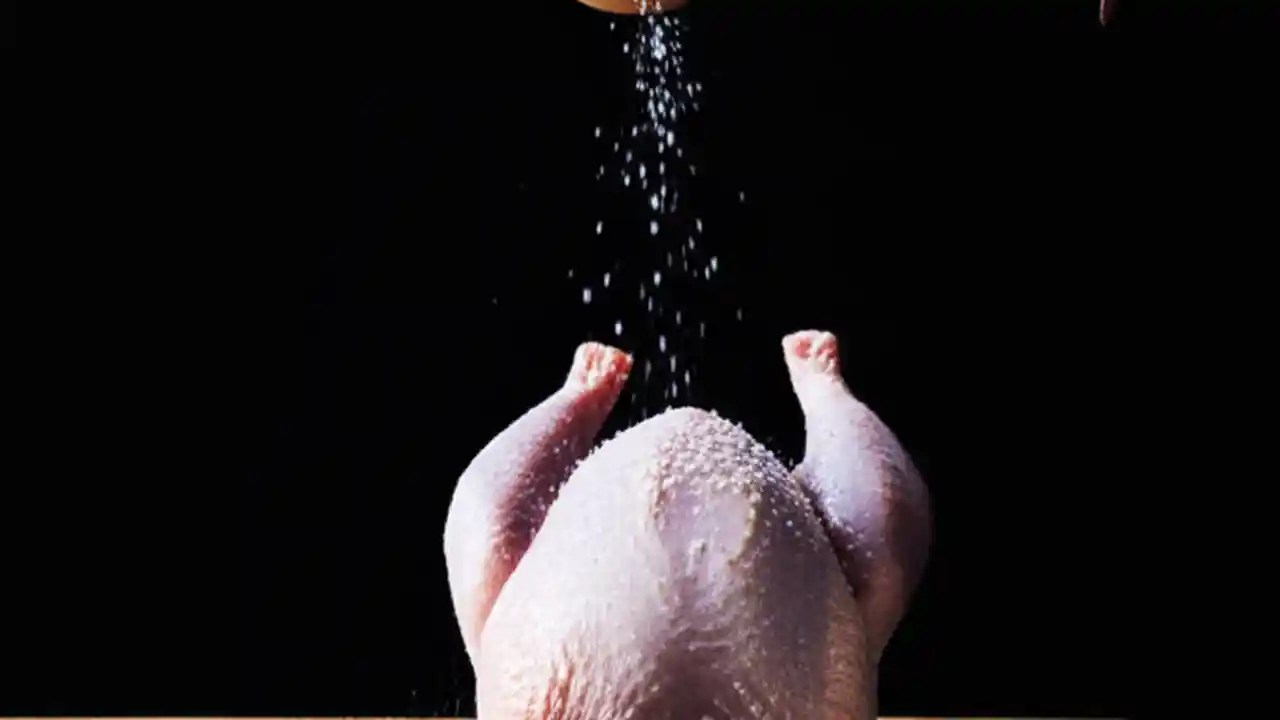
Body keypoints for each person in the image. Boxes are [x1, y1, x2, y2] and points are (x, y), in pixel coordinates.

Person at [445, 330, 931, 719]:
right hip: (801, 622)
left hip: (544, 649)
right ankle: (828, 397)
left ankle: (578, 397)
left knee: (489, 539)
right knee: (878, 557)